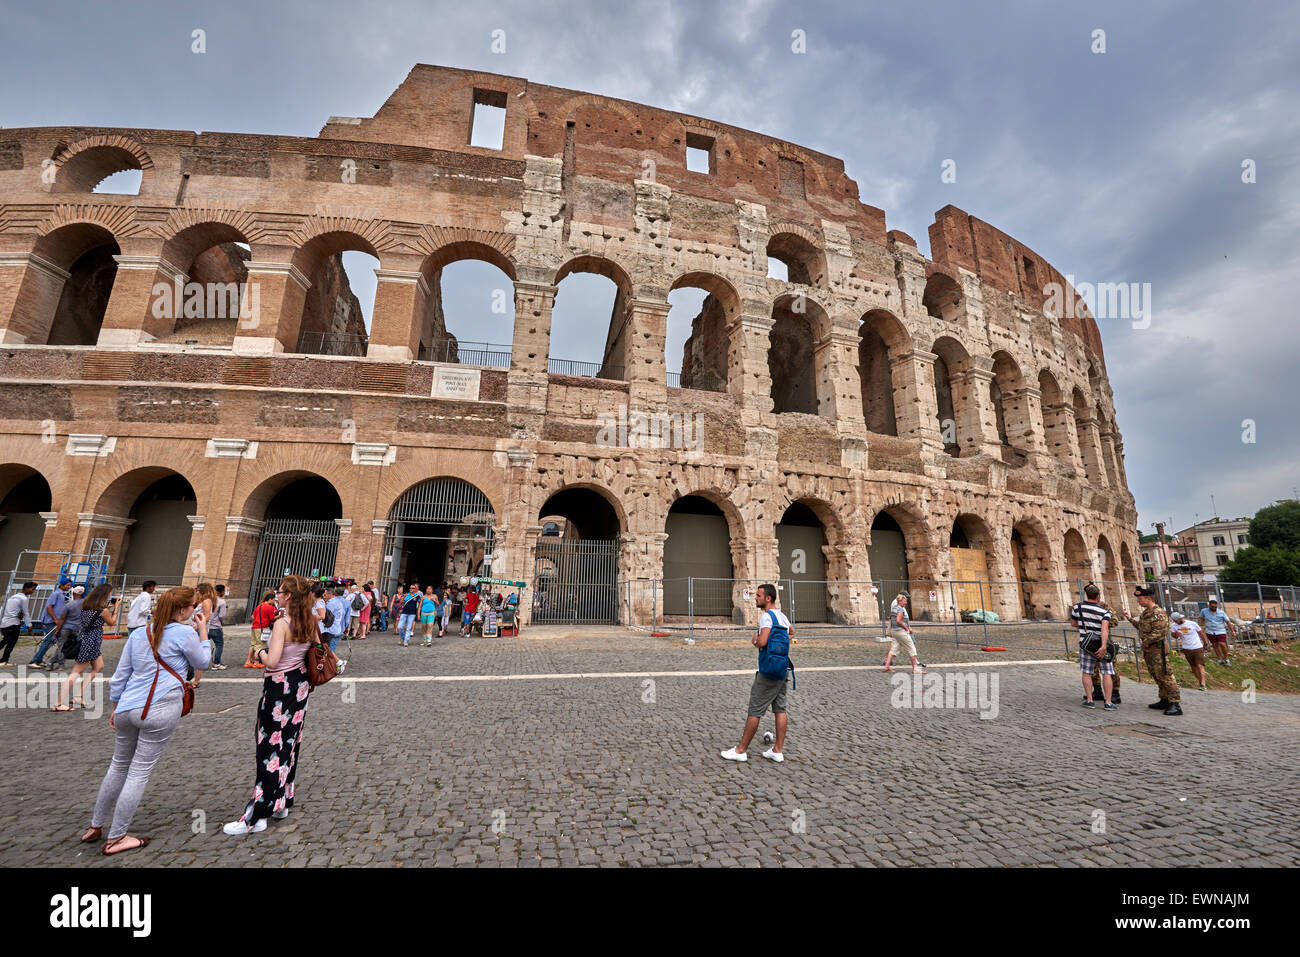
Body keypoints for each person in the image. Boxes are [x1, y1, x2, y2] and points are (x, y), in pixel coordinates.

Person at [81, 586, 210, 855]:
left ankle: (95, 825)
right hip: (159, 708)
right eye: (192, 607)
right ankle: (117, 837)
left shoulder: (140, 633)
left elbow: (120, 675)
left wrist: (115, 708)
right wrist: (203, 630)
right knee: (139, 772)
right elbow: (204, 661)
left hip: (128, 707)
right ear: (185, 610)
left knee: (118, 766)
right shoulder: (186, 633)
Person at [223, 575, 316, 835]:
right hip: (299, 688)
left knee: (269, 749)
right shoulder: (310, 621)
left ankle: (257, 815)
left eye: (281, 590)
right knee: (289, 745)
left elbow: (273, 660)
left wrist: (259, 650)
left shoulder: (282, 624)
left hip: (279, 688)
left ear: (288, 596)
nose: (277, 592)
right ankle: (282, 801)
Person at [721, 584, 792, 763]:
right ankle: (778, 750)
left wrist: (755, 640)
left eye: (759, 595)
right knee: (780, 709)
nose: (756, 598)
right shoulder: (782, 616)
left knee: (755, 710)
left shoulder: (767, 617)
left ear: (768, 598)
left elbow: (762, 642)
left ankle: (741, 750)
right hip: (782, 669)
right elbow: (791, 632)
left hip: (768, 671)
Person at [55, 584, 119, 710]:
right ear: (104, 595)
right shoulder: (103, 611)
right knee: (76, 672)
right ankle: (58, 703)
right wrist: (116, 609)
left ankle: (78, 696)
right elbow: (111, 622)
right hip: (91, 641)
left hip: (87, 640)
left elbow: (96, 615)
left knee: (98, 666)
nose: (111, 595)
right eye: (110, 593)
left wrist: (108, 607)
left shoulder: (86, 606)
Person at [1125, 586, 1181, 715]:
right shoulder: (1146, 612)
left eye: (1140, 599)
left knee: (1165, 675)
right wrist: (1129, 618)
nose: (1138, 601)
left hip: (1157, 649)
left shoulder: (1158, 613)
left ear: (1148, 598)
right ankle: (1164, 699)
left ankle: (1175, 703)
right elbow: (1141, 627)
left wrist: (1147, 642)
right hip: (1149, 650)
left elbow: (1160, 632)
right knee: (1156, 675)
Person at [1071, 583, 1117, 710]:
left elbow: (1073, 623)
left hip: (1086, 644)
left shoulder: (1077, 608)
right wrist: (1103, 647)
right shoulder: (1104, 611)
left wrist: (1084, 629)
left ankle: (1090, 700)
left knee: (1087, 672)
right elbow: (1104, 629)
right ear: (1098, 596)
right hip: (1101, 644)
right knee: (1106, 673)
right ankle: (1108, 703)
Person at [29, 578, 73, 669]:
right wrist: (55, 619)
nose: (69, 587)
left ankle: (39, 659)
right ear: (62, 585)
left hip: (54, 621)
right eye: (67, 585)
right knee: (47, 641)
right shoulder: (56, 594)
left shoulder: (61, 594)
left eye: (70, 585)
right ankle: (34, 661)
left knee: (50, 641)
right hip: (49, 621)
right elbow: (49, 607)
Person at [883, 592, 926, 675]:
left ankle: (887, 666)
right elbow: (899, 621)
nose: (906, 602)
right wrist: (906, 628)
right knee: (911, 648)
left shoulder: (894, 608)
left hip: (894, 631)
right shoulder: (900, 609)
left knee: (894, 648)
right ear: (900, 601)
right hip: (900, 631)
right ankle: (915, 669)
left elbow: (892, 618)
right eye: (905, 601)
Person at [47, 585, 85, 672]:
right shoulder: (85, 604)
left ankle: (59, 664)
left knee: (61, 646)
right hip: (78, 628)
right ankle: (52, 662)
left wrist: (57, 630)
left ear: (73, 593)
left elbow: (62, 619)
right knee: (71, 646)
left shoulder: (68, 605)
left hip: (66, 627)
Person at [0, 581, 38, 667]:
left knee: (5, 640)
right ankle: (4, 660)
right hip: (13, 623)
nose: (33, 591)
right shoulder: (24, 599)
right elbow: (25, 613)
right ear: (27, 588)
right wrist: (29, 625)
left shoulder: (12, 597)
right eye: (33, 589)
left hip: (4, 623)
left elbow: (5, 609)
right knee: (11, 642)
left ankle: (3, 660)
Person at [1171, 611, 1209, 691]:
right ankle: (1200, 682)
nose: (1176, 622)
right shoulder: (1174, 626)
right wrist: (1176, 635)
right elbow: (1173, 634)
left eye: (1177, 620)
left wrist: (1205, 643)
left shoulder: (1192, 623)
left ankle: (1203, 684)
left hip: (1197, 647)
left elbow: (1201, 633)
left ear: (1180, 618)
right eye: (1174, 621)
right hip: (1186, 648)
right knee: (1193, 667)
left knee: (1200, 665)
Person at [191, 583, 217, 682]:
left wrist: (197, 627)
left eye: (197, 590)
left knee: (198, 655)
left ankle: (196, 681)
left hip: (199, 630)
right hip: (196, 629)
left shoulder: (207, 601)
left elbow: (206, 617)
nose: (196, 591)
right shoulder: (201, 601)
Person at [1199, 599, 1236, 665]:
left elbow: (1228, 622)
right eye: (1212, 607)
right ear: (1209, 605)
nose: (1214, 608)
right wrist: (1200, 625)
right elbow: (1200, 618)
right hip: (1210, 631)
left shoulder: (1221, 613)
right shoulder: (1204, 611)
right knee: (1215, 645)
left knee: (1222, 644)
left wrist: (1233, 631)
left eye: (1215, 607)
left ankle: (1226, 659)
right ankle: (1220, 659)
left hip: (1220, 630)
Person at [247, 590, 277, 668]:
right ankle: (257, 662)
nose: (274, 601)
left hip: (254, 627)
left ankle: (248, 661)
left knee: (253, 645)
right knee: (260, 645)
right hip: (262, 627)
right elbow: (272, 619)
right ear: (270, 599)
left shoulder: (259, 606)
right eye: (273, 599)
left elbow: (252, 616)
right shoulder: (269, 607)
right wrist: (280, 616)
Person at [324, 586, 350, 654]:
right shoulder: (347, 602)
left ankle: (334, 662)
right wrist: (346, 628)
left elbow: (327, 616)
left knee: (329, 648)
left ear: (335, 593)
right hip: (340, 627)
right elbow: (347, 617)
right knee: (332, 646)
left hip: (331, 628)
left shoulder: (332, 602)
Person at [209, 584, 228, 670]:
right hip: (216, 627)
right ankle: (216, 663)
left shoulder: (208, 600)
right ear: (222, 592)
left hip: (206, 626)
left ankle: (199, 663)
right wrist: (221, 624)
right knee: (219, 645)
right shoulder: (222, 602)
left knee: (202, 645)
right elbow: (221, 616)